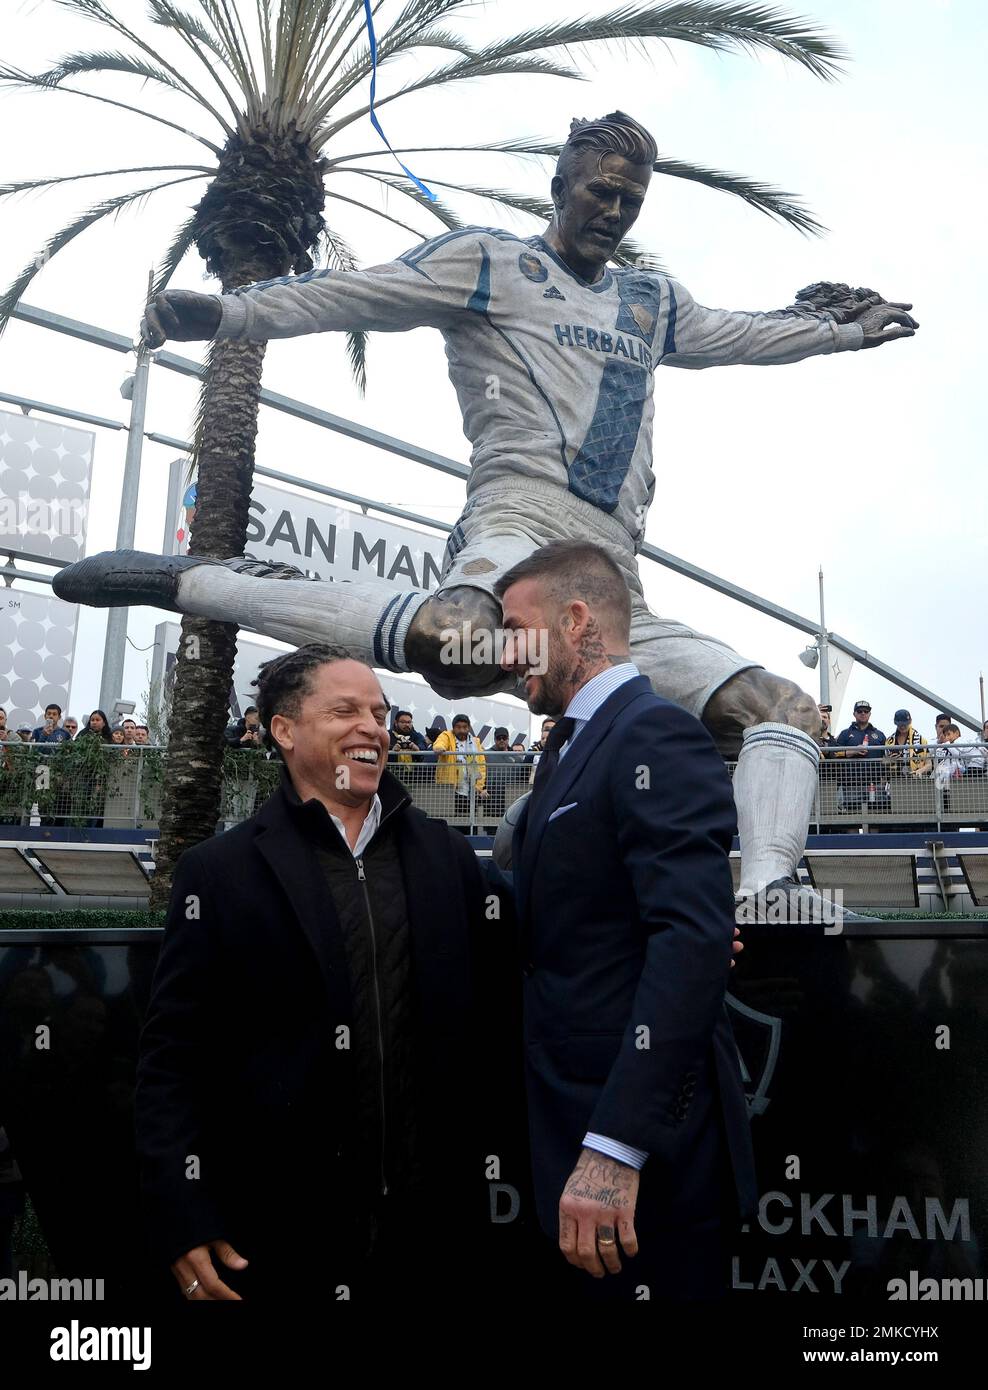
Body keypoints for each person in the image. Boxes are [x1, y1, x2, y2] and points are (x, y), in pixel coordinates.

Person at [54, 112, 917, 928]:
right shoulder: (488, 263)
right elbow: (361, 292)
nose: (613, 211)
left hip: (614, 584)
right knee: (456, 642)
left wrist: (840, 330)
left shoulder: (652, 301)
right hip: (515, 529)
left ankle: (767, 892)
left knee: (783, 710)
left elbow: (745, 334)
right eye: (599, 191)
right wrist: (236, 313)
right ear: (560, 183)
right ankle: (194, 581)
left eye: (630, 199)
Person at [135, 643, 511, 1303]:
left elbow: (535, 960)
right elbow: (174, 1058)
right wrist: (181, 1211)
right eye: (345, 710)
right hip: (282, 1237)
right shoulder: (219, 874)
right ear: (284, 730)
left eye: (379, 711)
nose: (372, 726)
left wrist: (689, 927)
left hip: (436, 1230)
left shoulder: (448, 859)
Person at [490, 540, 754, 1301]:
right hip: (570, 1150)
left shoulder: (653, 734)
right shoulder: (571, 750)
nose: (505, 653)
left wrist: (614, 1150)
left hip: (642, 1173)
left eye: (515, 628)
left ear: (577, 622)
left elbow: (692, 938)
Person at [431, 714, 488, 831]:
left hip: (470, 789)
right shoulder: (446, 735)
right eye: (458, 727)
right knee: (448, 824)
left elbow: (481, 766)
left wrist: (479, 787)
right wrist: (439, 748)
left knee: (467, 823)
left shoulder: (475, 742)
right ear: (453, 728)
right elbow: (440, 743)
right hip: (450, 789)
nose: (462, 730)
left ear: (469, 728)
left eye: (465, 727)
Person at [884, 709, 931, 777]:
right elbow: (884, 764)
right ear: (895, 723)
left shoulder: (921, 740)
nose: (902, 727)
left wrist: (920, 771)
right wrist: (889, 761)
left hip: (915, 782)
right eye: (900, 724)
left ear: (910, 721)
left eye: (905, 724)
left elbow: (929, 764)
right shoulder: (889, 741)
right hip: (895, 781)